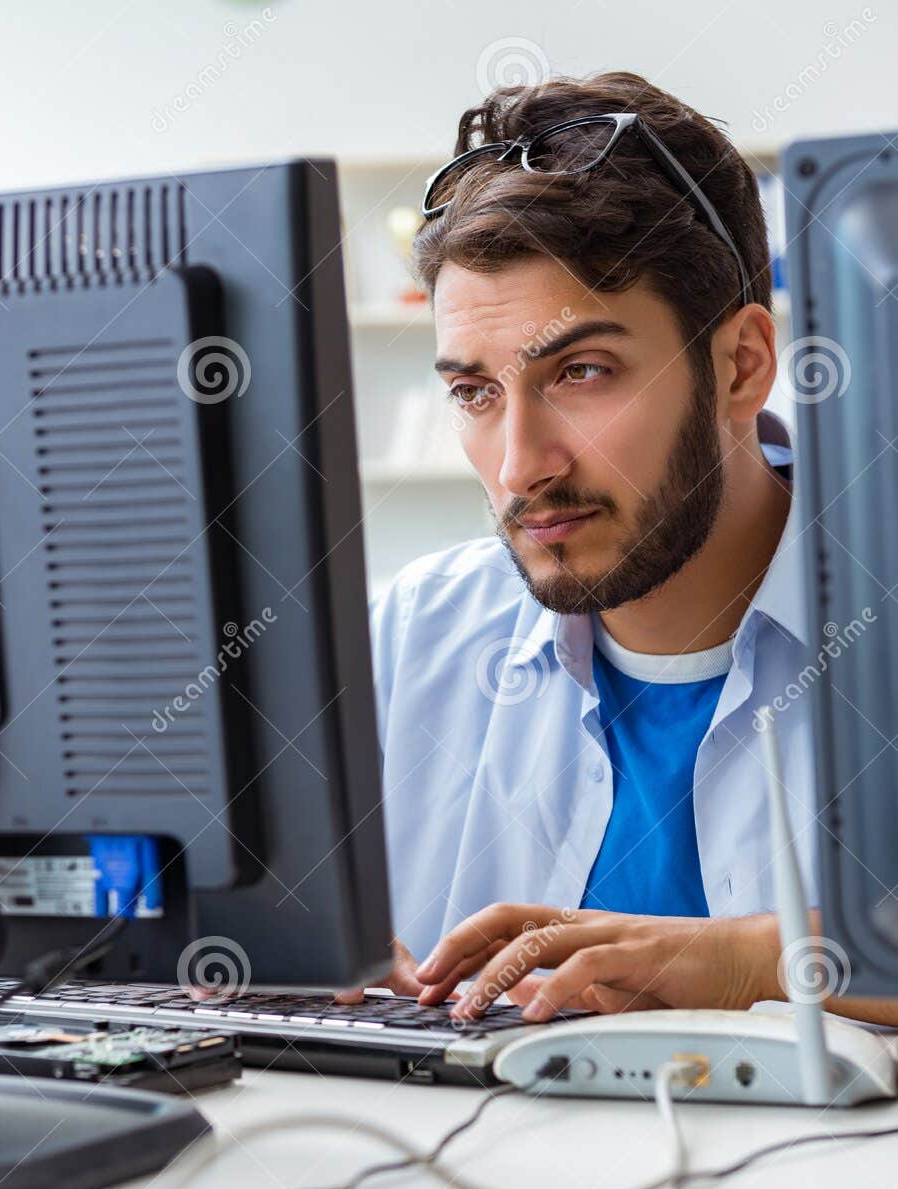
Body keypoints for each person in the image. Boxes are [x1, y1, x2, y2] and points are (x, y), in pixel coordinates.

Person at [355, 70, 894, 1029]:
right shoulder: (414, 633)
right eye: (475, 393)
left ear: (741, 365)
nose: (521, 465)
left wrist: (745, 962)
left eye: (583, 372)